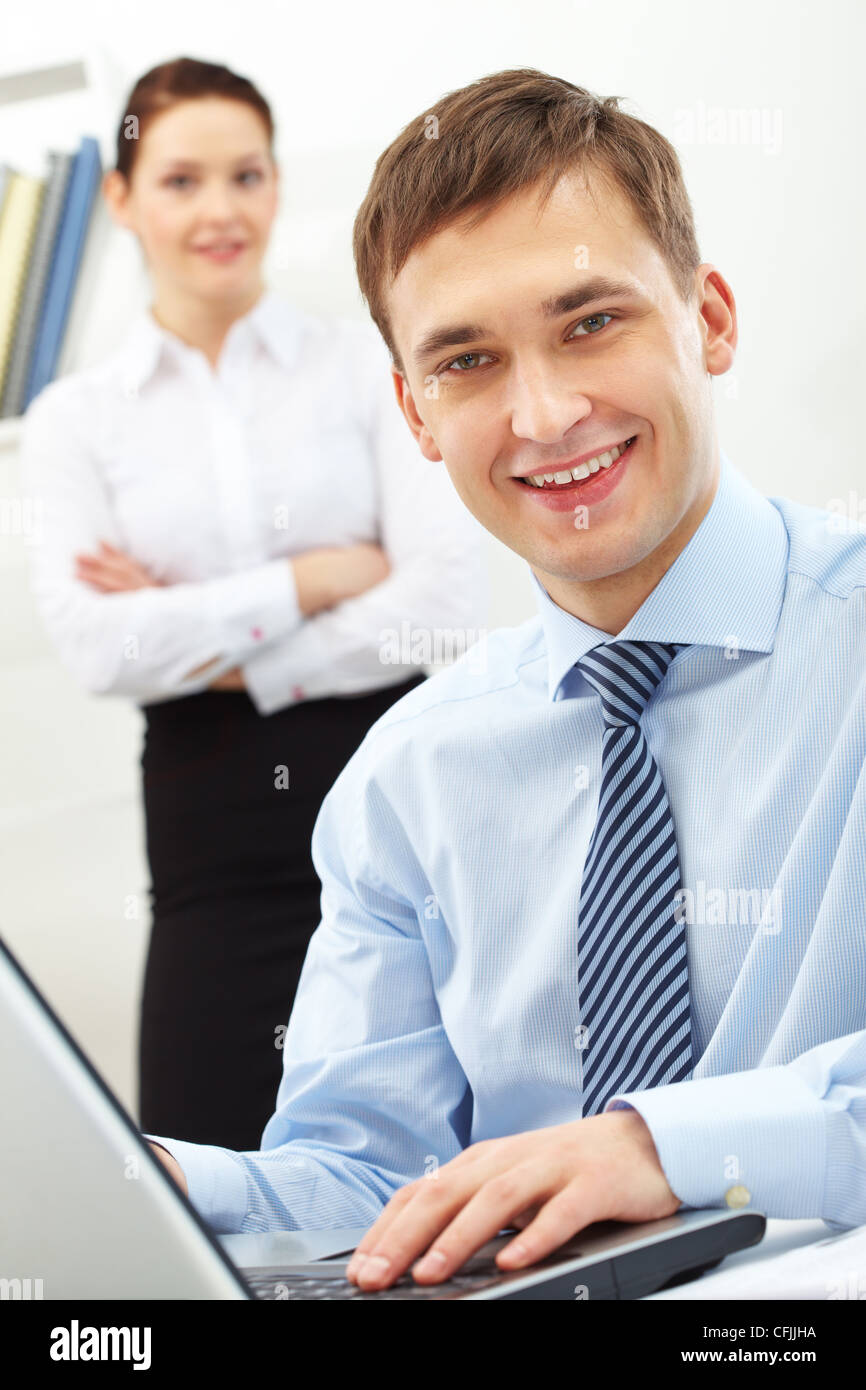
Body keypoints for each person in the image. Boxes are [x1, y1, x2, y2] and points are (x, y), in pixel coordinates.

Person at [146, 67, 866, 1290]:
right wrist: (151, 1176)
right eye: (467, 361)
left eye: (591, 321)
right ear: (415, 412)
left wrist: (666, 1147)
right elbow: (368, 1181)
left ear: (710, 319)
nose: (541, 414)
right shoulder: (406, 777)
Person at [20, 57, 487, 1153]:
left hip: (395, 797)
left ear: (278, 185)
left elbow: (447, 601)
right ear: (122, 199)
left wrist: (206, 629)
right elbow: (98, 645)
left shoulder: (366, 364)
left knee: (437, 1166)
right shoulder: (74, 419)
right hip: (207, 846)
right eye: (182, 181)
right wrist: (316, 577)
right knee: (210, 1167)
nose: (220, 209)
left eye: (247, 174)